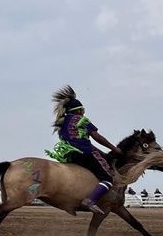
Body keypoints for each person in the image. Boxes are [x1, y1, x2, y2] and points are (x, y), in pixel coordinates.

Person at [46, 86, 120, 215]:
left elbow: (77, 140)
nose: (84, 112)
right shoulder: (81, 120)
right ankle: (90, 200)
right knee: (108, 179)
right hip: (83, 153)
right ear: (79, 110)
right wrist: (114, 148)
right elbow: (97, 137)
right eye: (83, 110)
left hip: (68, 155)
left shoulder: (62, 123)